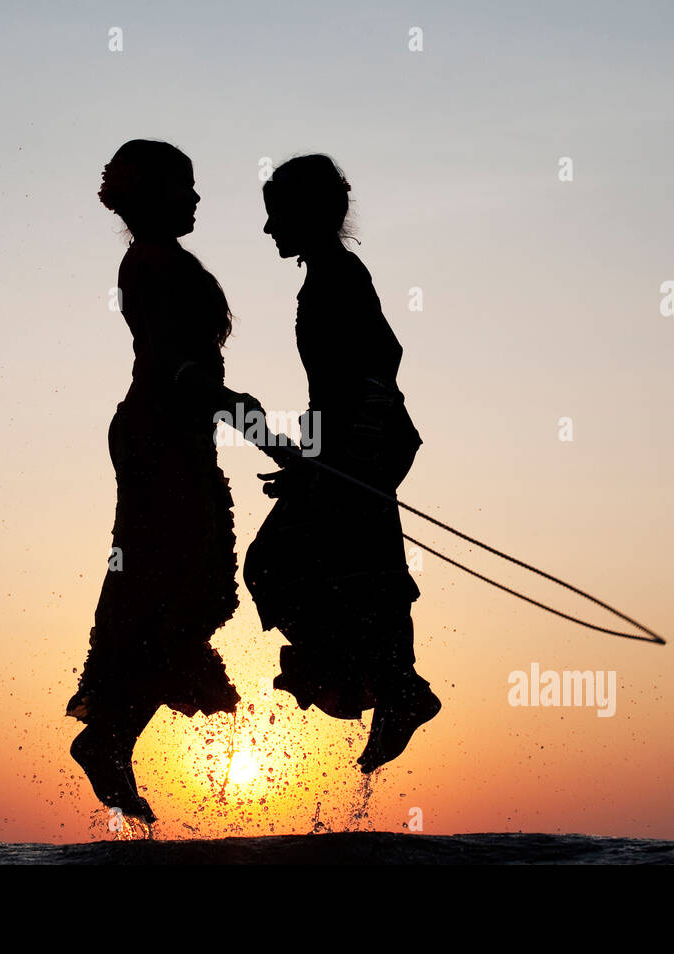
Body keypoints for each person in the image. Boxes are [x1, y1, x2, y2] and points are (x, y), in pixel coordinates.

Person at [66, 140, 265, 822]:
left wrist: (232, 410)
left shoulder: (157, 262)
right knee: (181, 593)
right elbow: (175, 363)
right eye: (186, 186)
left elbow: (184, 367)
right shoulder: (153, 265)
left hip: (169, 435)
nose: (197, 199)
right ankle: (107, 740)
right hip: (161, 437)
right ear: (152, 195)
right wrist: (242, 413)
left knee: (181, 593)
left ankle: (111, 740)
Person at [245, 154, 441, 772]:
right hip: (344, 448)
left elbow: (383, 357)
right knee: (349, 568)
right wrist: (312, 460)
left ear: (306, 215)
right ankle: (391, 688)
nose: (269, 229)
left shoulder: (339, 275)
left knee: (284, 566)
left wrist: (344, 456)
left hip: (363, 447)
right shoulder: (326, 273)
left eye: (276, 216)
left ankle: (393, 687)